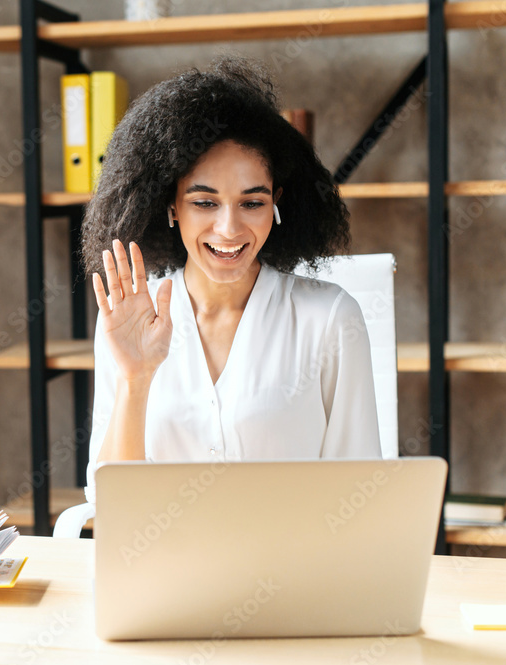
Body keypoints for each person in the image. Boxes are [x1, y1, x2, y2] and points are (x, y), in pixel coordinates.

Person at [80, 55, 381, 505]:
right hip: (167, 567)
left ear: (276, 204)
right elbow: (110, 507)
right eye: (204, 202)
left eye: (252, 203)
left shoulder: (330, 319)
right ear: (170, 206)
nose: (229, 229)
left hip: (294, 571)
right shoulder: (129, 321)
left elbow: (360, 497)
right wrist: (135, 377)